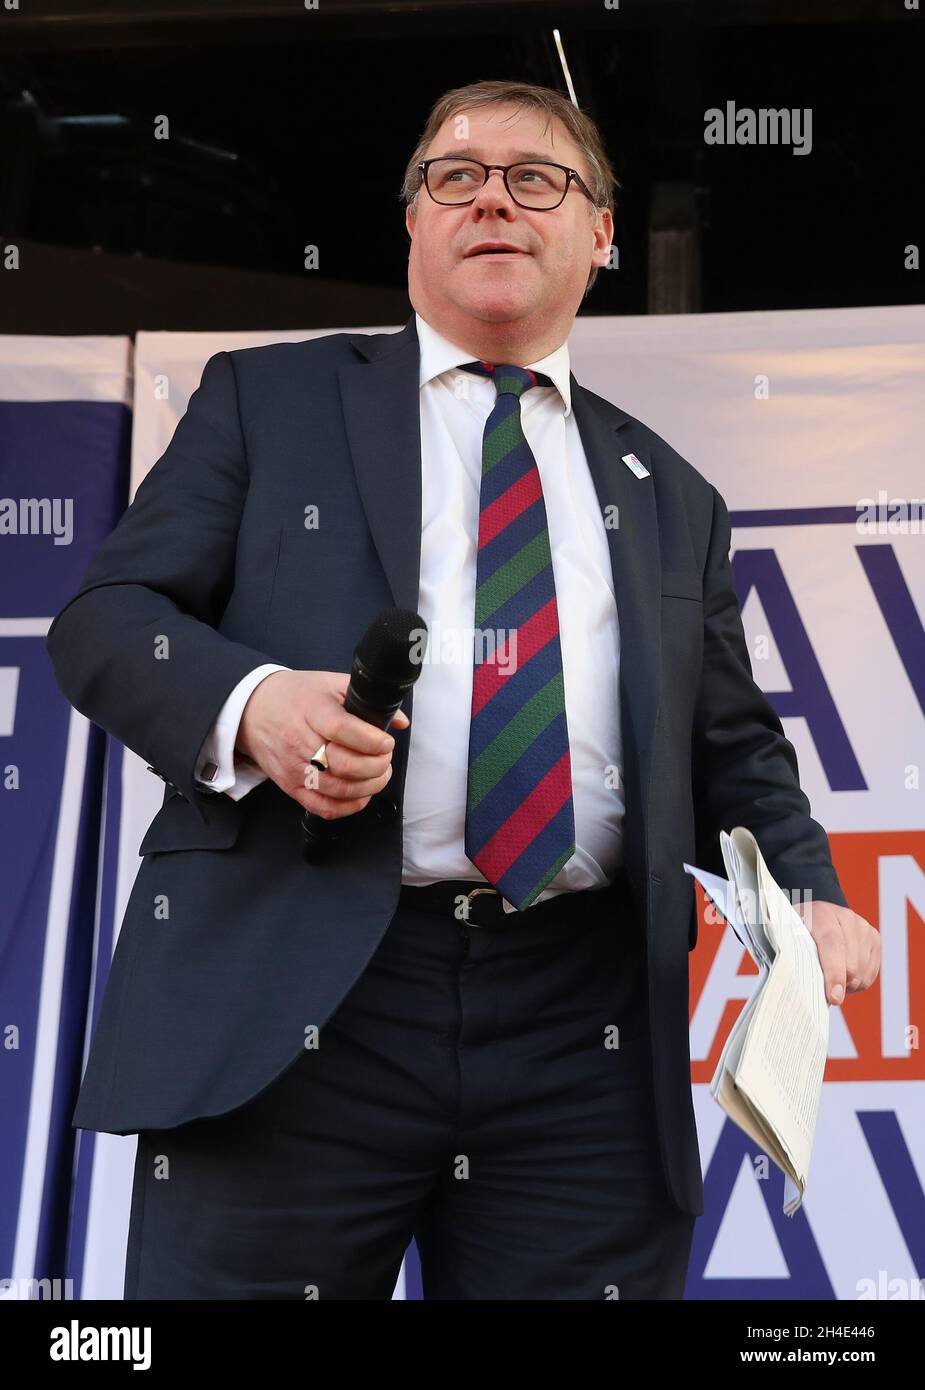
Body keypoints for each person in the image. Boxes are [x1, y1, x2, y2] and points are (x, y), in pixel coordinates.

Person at [46, 79, 880, 1300]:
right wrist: (257, 705)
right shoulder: (266, 402)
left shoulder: (670, 494)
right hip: (296, 1004)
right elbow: (107, 624)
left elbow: (730, 744)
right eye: (455, 176)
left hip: (582, 1034)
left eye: (535, 176)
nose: (491, 195)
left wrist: (807, 892)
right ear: (413, 226)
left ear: (601, 233)